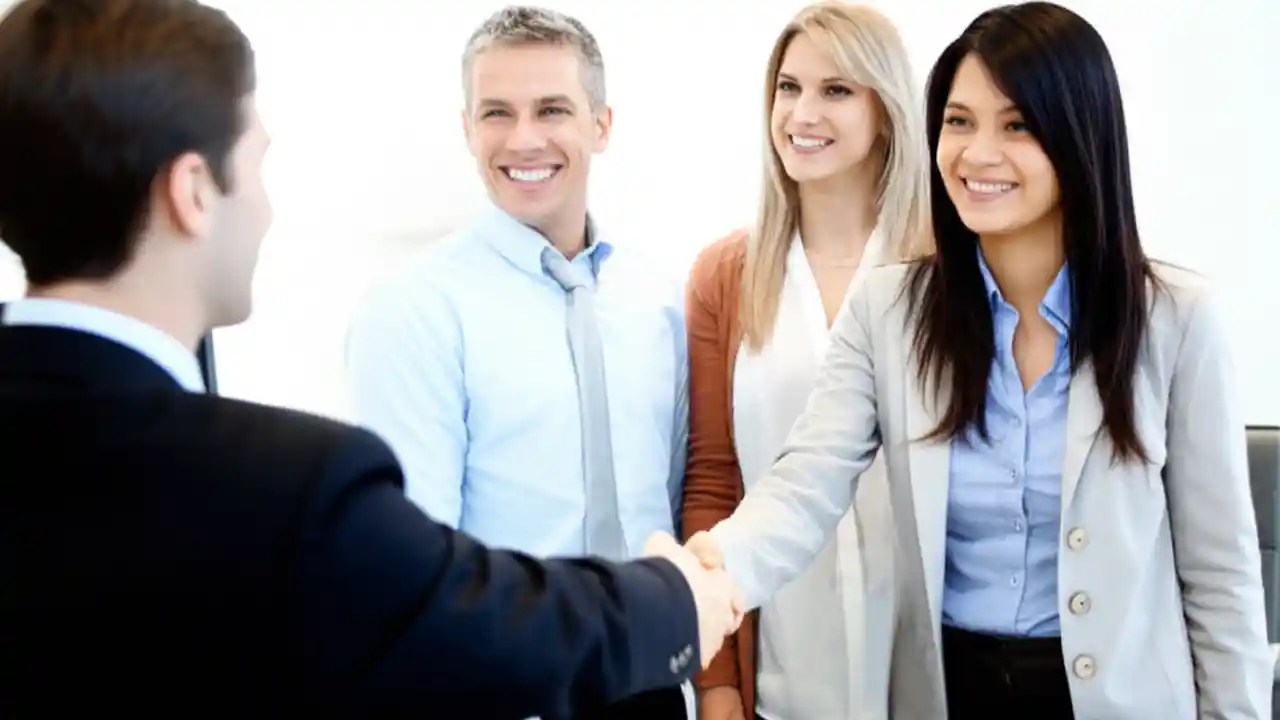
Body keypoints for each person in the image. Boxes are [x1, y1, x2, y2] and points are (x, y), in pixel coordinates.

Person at [0, 1, 742, 716]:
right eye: (256, 162)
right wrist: (674, 599)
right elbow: (431, 613)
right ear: (194, 191)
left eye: (551, 109)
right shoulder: (289, 481)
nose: (265, 205)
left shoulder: (659, 295)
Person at [685, 2, 1273, 718]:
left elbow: (1221, 577)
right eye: (959, 122)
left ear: (1080, 136)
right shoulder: (891, 310)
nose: (977, 153)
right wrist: (709, 575)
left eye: (1016, 125)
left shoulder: (1175, 319)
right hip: (948, 691)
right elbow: (803, 485)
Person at [346, 7, 690, 717]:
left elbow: (675, 493)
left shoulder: (656, 298)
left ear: (602, 124)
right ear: (467, 127)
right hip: (512, 692)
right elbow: (414, 570)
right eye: (496, 112)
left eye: (552, 109)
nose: (523, 138)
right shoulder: (415, 310)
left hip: (655, 685)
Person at [680, 3, 927, 719]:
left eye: (836, 90)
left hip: (924, 664)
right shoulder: (727, 275)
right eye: (788, 88)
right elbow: (713, 481)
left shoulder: (945, 268)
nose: (801, 112)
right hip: (784, 666)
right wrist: (719, 682)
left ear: (887, 109)